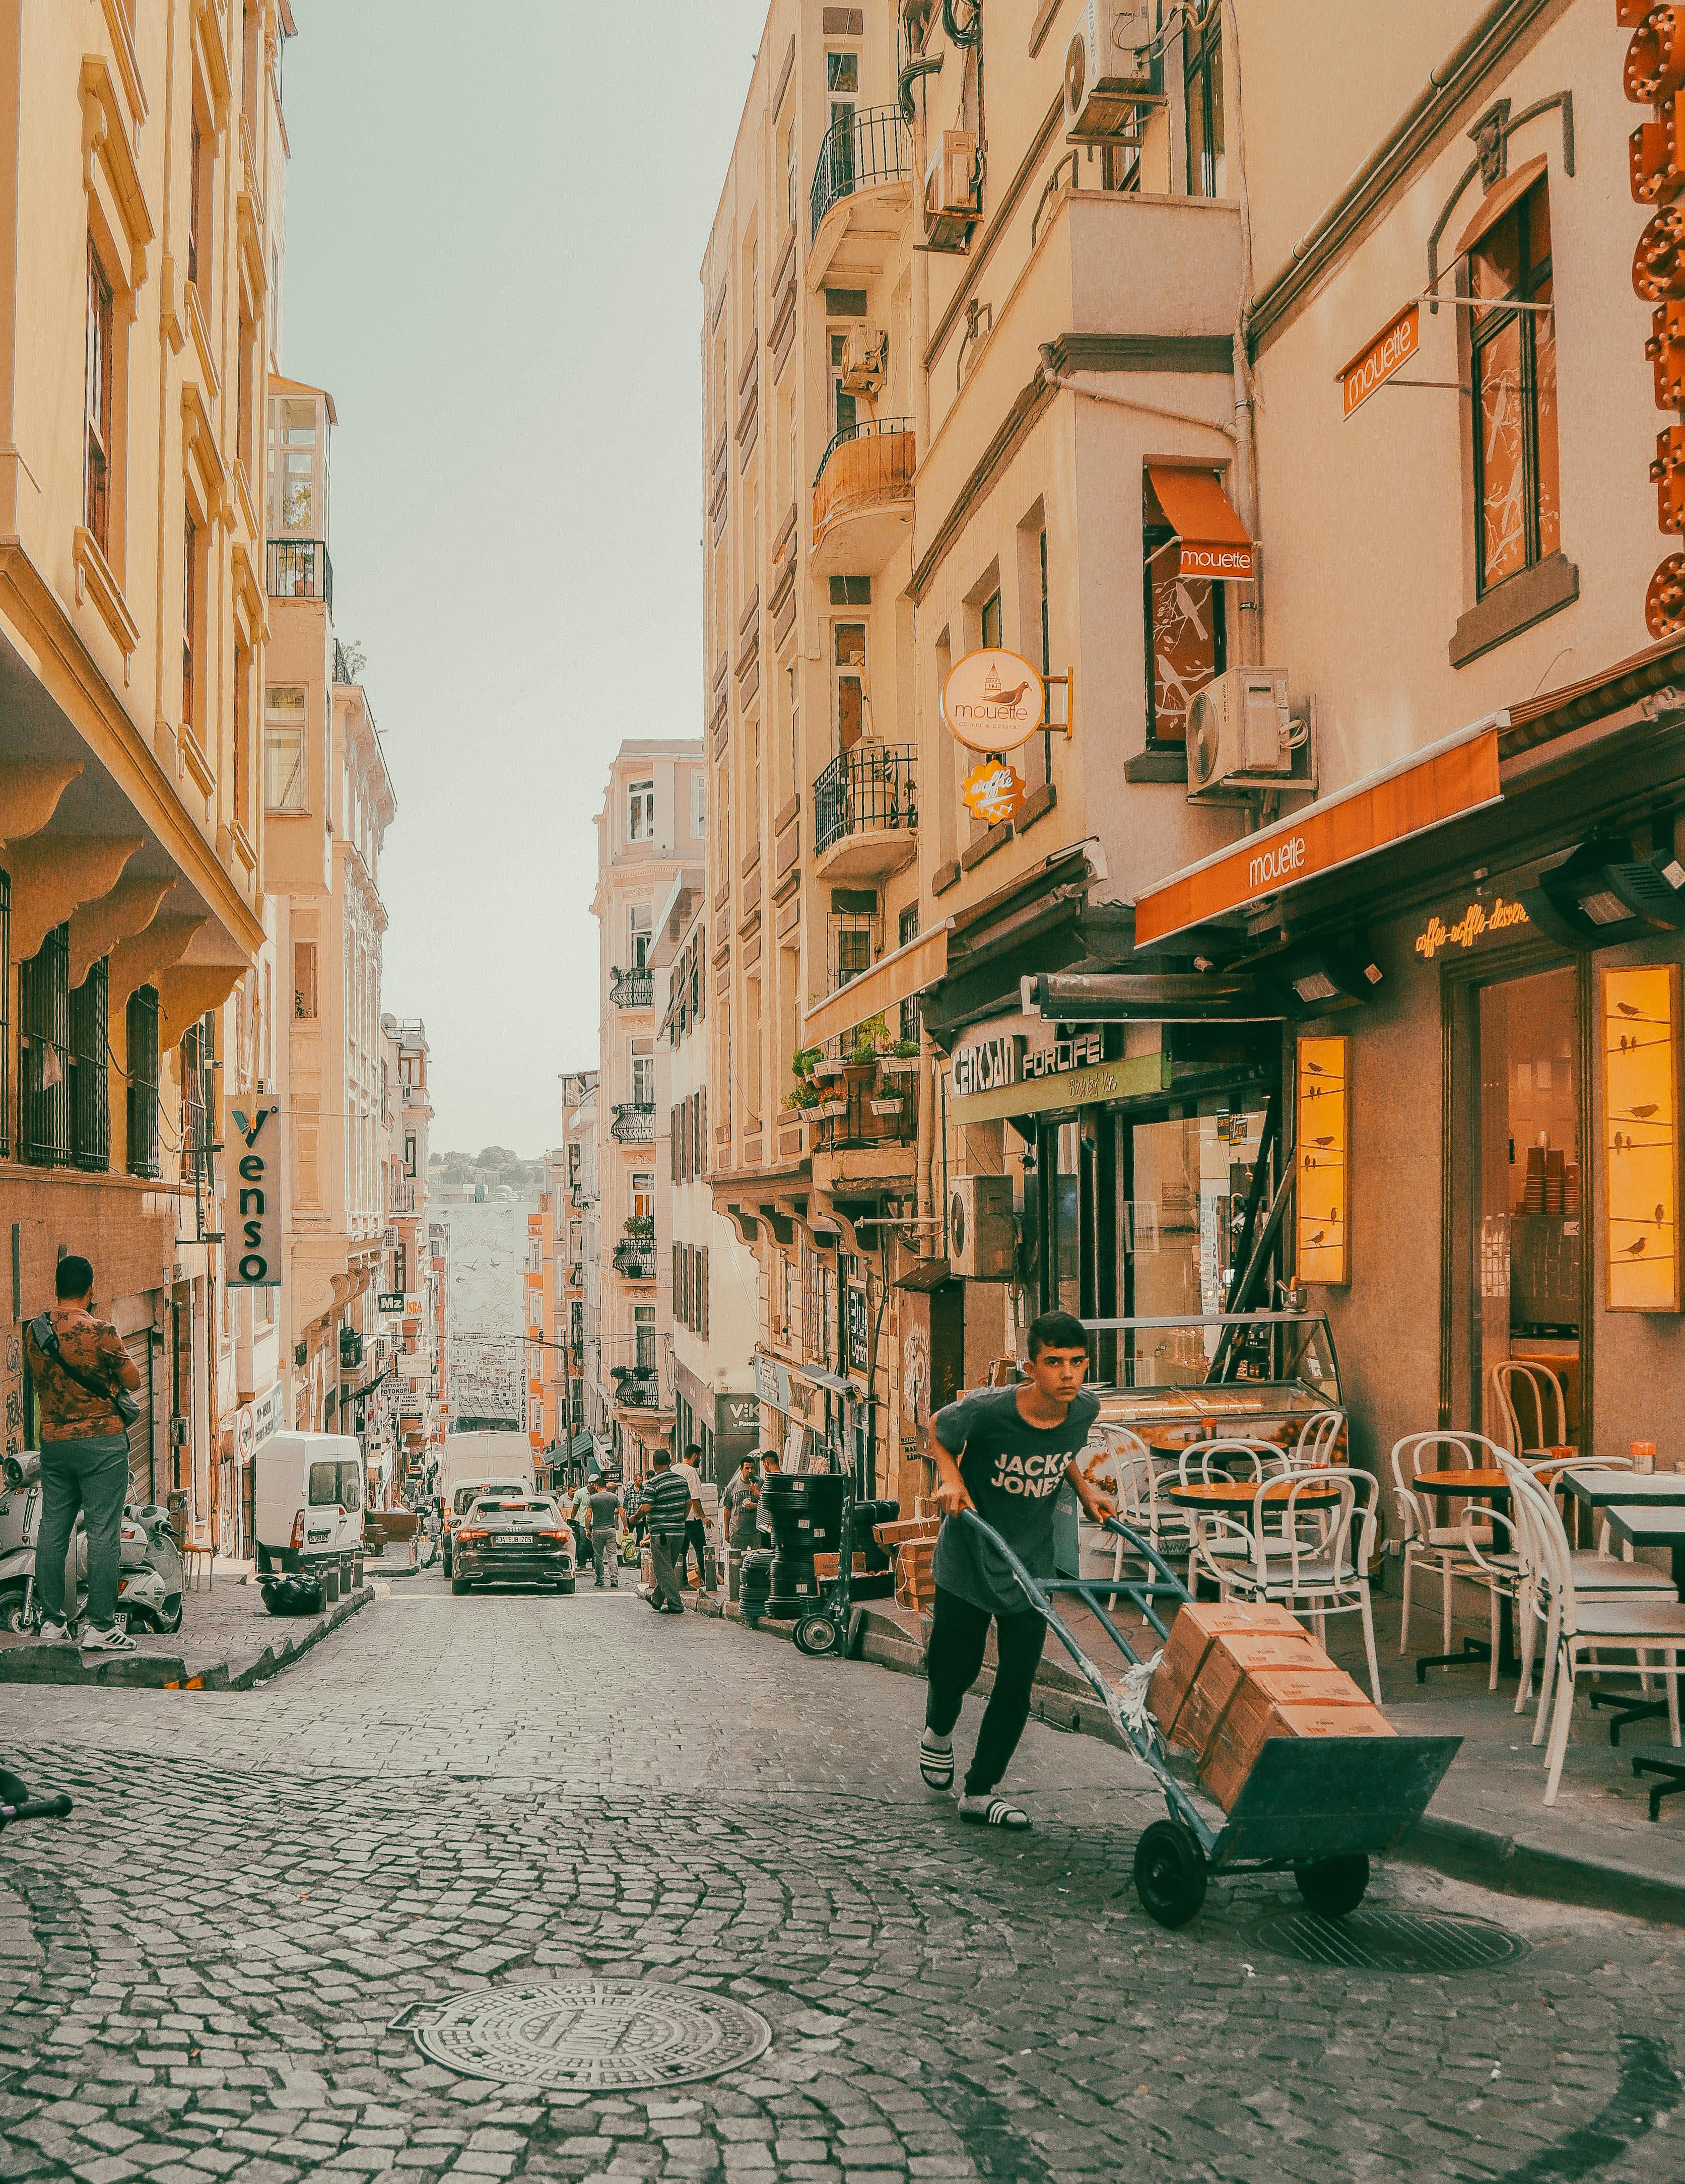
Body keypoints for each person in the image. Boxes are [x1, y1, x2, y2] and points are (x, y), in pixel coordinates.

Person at [920, 1310, 1114, 1831]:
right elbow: (937, 1428)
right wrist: (951, 1479)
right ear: (1032, 1367)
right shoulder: (989, 1411)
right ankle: (938, 1732)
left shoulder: (1084, 1408)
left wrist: (1085, 1489)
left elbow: (1063, 1451)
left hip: (1029, 1564)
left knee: (1017, 1681)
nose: (1068, 1374)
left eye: (1076, 1363)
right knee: (953, 1668)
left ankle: (980, 1791)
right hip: (970, 1556)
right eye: (1054, 1363)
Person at [23, 1255, 144, 1653]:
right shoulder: (101, 1332)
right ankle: (100, 1627)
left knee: (52, 1529)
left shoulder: (35, 1332)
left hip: (54, 1443)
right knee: (103, 1532)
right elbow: (133, 1379)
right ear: (91, 1289)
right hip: (102, 1444)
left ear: (56, 1286)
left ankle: (52, 1622)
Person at [632, 1447, 697, 1614]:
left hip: (661, 1531)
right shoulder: (681, 1481)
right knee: (668, 1566)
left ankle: (676, 1604)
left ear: (654, 1464)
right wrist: (680, 1519)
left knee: (664, 1569)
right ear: (670, 1462)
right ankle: (657, 1598)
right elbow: (689, 1503)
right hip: (679, 1531)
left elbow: (646, 1507)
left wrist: (635, 1518)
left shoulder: (653, 1483)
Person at [720, 1454, 763, 1599]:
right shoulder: (733, 1486)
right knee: (737, 1564)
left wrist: (756, 1502)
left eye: (752, 1468)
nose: (750, 1471)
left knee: (757, 1563)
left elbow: (767, 1504)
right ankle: (737, 1593)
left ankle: (755, 1591)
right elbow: (727, 1509)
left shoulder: (760, 1484)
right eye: (747, 1468)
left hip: (756, 1531)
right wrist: (727, 1531)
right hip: (738, 1531)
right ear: (741, 1469)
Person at [677, 1443, 708, 1587]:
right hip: (691, 1518)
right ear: (694, 1456)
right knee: (701, 1549)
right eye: (700, 1457)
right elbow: (695, 1497)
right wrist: (702, 1516)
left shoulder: (674, 1468)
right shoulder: (691, 1471)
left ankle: (683, 1581)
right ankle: (707, 1582)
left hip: (678, 1518)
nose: (700, 1460)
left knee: (681, 1551)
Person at [586, 1474, 623, 1589]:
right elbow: (622, 1512)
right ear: (605, 1486)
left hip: (597, 1530)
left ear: (597, 1486)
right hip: (611, 1529)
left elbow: (588, 1515)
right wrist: (625, 1527)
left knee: (598, 1556)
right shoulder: (614, 1497)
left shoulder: (593, 1499)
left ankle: (600, 1579)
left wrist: (587, 1529)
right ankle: (614, 1580)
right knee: (612, 1555)